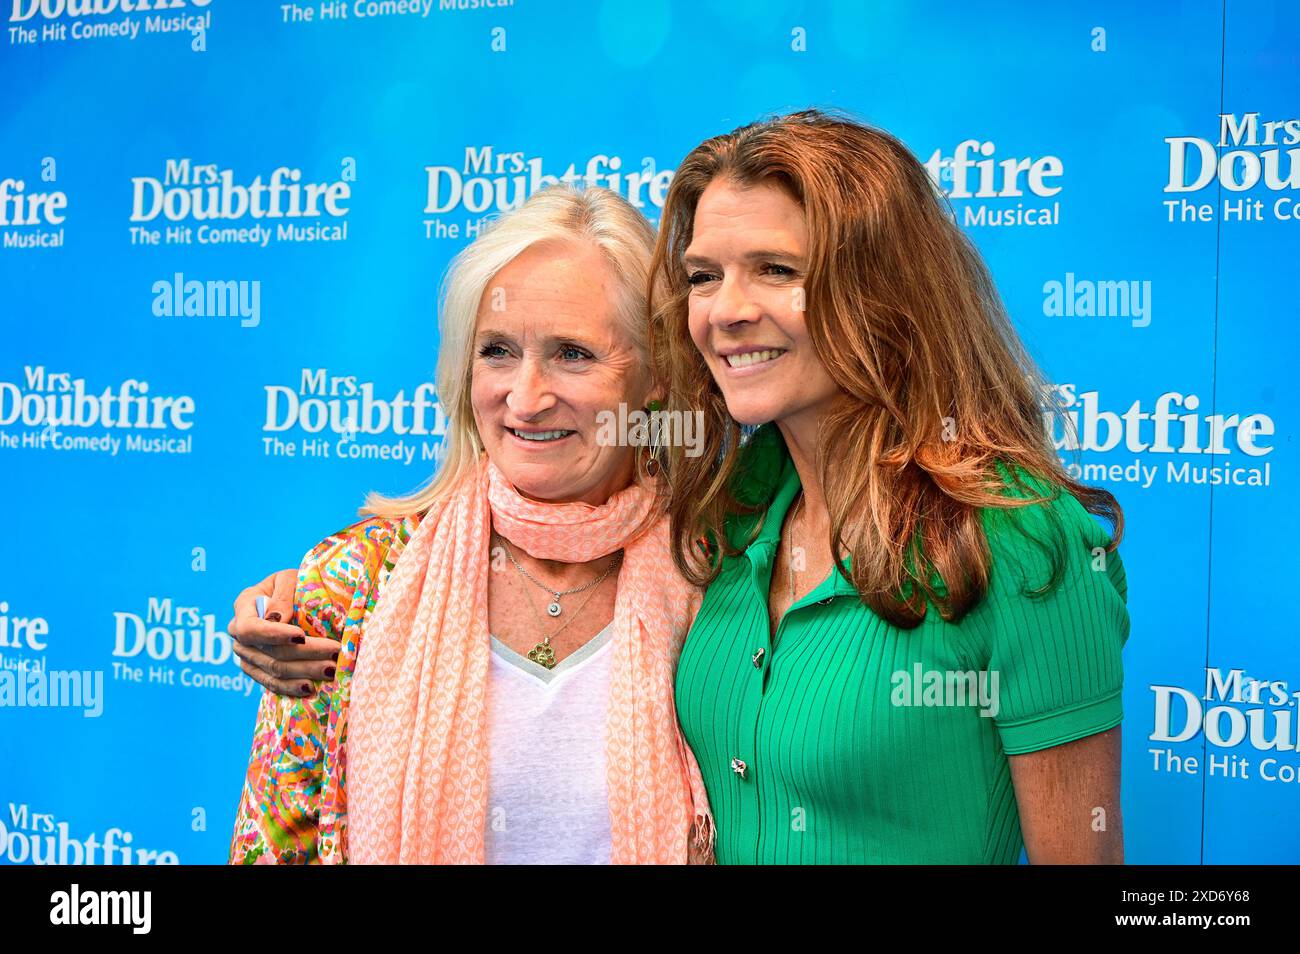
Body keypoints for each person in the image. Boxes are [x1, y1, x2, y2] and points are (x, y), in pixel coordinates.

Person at [232, 109, 1130, 864]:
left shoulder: (1011, 541)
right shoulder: (731, 524)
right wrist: (291, 600)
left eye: (777, 270)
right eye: (704, 276)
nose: (727, 308)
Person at [228, 185, 713, 864]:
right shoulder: (352, 586)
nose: (526, 396)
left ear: (657, 372)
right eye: (497, 351)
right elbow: (274, 848)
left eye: (573, 353)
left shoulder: (725, 578)